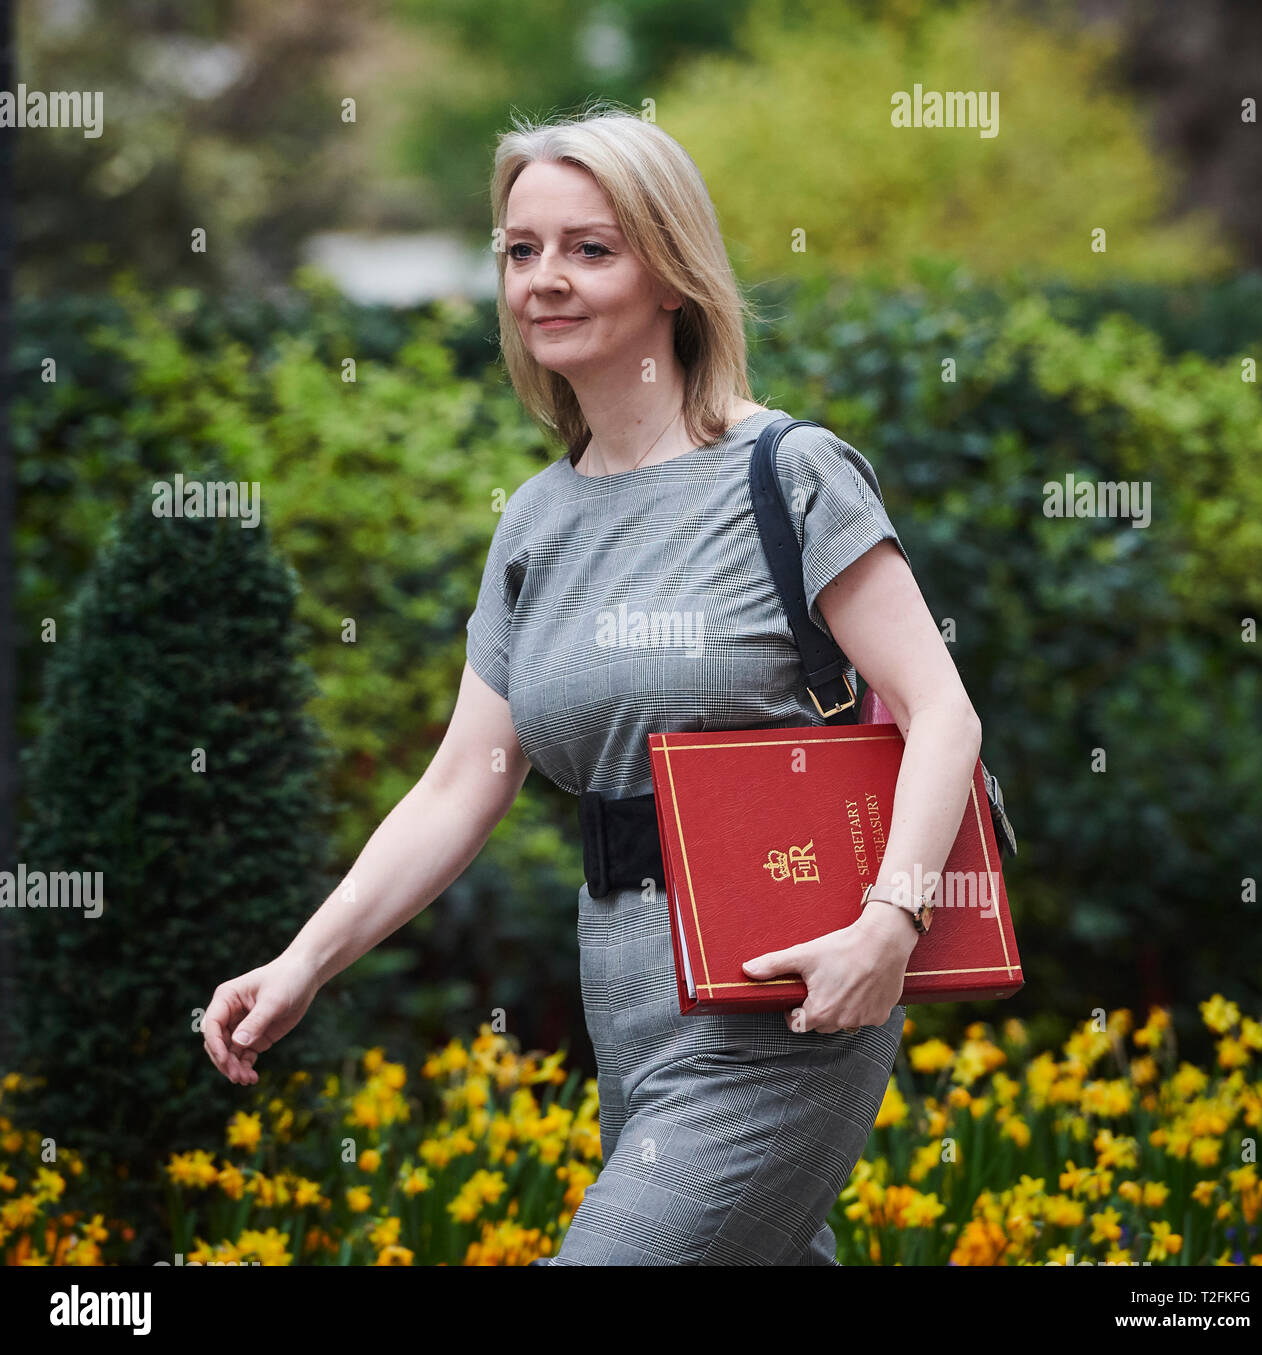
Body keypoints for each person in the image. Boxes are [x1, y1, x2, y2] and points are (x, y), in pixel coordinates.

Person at [201, 103, 983, 1266]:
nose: (543, 281)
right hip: (626, 991)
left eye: (589, 247)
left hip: (789, 986)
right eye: (521, 251)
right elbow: (465, 778)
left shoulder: (787, 470)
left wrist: (891, 921)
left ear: (671, 274)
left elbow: (942, 712)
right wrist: (304, 958)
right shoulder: (536, 519)